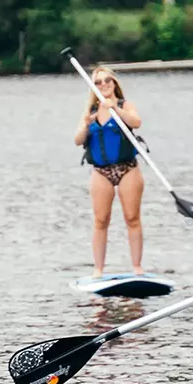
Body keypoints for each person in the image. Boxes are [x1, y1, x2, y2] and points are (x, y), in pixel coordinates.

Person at [74, 66, 144, 274]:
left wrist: (116, 109)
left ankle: (137, 266)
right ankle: (99, 269)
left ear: (114, 84)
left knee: (132, 217)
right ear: (93, 87)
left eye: (107, 81)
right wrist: (86, 125)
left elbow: (136, 122)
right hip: (101, 172)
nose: (103, 85)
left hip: (127, 169)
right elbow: (78, 140)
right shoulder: (91, 111)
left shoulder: (124, 105)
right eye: (98, 82)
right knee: (101, 219)